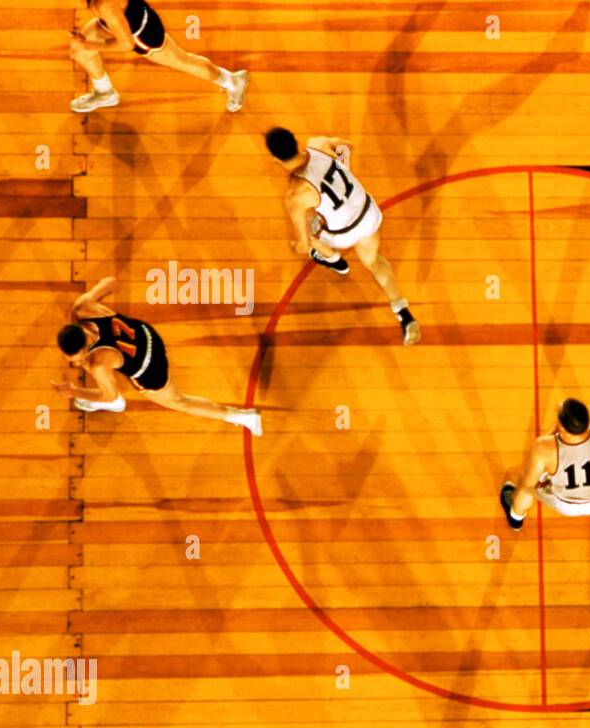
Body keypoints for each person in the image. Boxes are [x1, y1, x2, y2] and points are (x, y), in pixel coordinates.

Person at [265, 127, 421, 346]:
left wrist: (298, 245)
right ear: (296, 140)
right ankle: (403, 313)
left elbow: (302, 244)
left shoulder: (296, 195)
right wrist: (344, 170)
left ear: (275, 158)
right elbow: (347, 146)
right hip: (367, 212)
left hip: (343, 235)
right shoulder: (317, 144)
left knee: (311, 231)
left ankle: (333, 260)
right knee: (373, 260)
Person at [51, 277, 262, 436]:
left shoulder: (97, 362)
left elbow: (113, 397)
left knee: (179, 402)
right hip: (147, 334)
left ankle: (243, 417)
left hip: (148, 369)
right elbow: (111, 282)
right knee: (96, 369)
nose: (77, 362)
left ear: (87, 344)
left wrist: (74, 391)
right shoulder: (82, 307)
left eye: (78, 357)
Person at [500, 398, 590, 559]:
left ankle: (515, 517)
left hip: (564, 503)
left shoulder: (543, 447)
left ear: (561, 427)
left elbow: (530, 481)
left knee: (526, 486)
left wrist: (550, 435)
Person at [68, 0, 248, 113]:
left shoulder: (105, 5)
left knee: (183, 61)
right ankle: (105, 92)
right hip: (115, 22)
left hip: (141, 36)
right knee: (80, 52)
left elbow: (126, 44)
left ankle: (232, 81)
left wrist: (87, 44)